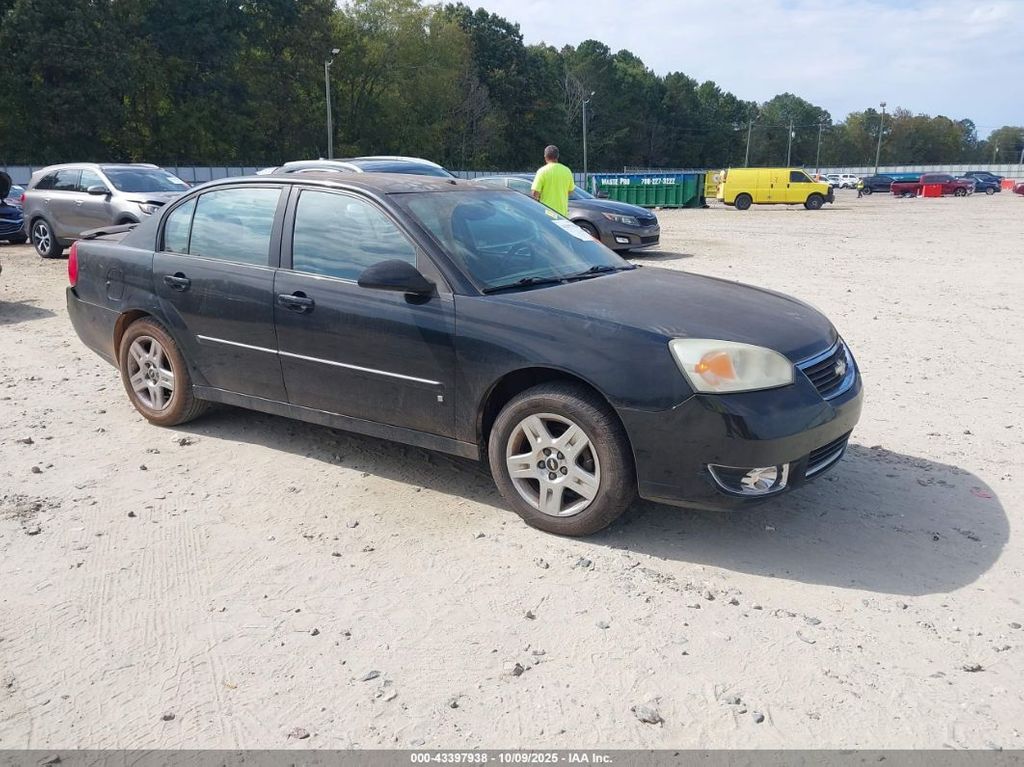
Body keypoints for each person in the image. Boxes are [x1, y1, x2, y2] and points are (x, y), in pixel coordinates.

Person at [531, 145, 575, 217]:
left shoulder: (542, 171)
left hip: (547, 213)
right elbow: (571, 190)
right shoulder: (567, 170)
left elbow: (535, 193)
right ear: (557, 156)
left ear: (545, 156)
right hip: (563, 214)